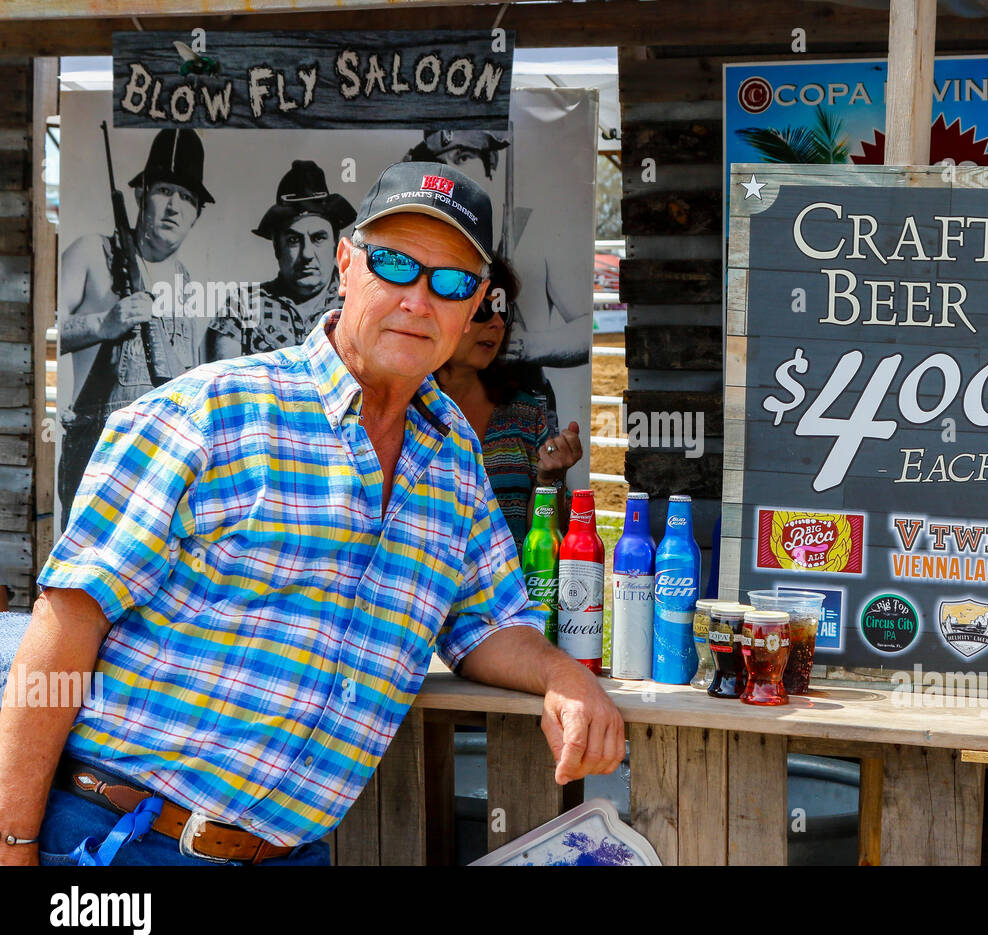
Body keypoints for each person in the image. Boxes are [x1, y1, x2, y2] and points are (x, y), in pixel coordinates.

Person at [0, 160, 623, 866]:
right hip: (126, 841)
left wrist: (564, 676)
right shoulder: (208, 415)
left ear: (475, 301)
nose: (419, 300)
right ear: (347, 264)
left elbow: (486, 622)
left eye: (450, 282)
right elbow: (66, 623)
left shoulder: (454, 460)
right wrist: (11, 844)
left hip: (291, 853)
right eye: (395, 265)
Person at [57, 128, 215, 521]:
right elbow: (36, 332)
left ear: (196, 215)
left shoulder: (187, 284)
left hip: (165, 467)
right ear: (140, 193)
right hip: (98, 459)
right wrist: (101, 324)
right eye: (165, 191)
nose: (174, 207)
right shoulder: (93, 253)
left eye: (187, 198)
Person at [434, 257, 583, 551]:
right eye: (484, 308)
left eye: (505, 310)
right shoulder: (404, 405)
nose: (497, 322)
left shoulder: (524, 414)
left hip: (505, 594)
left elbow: (550, 538)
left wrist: (550, 479)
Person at [209, 160, 355, 358]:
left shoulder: (357, 301)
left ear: (335, 245)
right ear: (277, 248)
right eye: (294, 240)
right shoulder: (242, 306)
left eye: (318, 238)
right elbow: (224, 383)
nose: (307, 254)